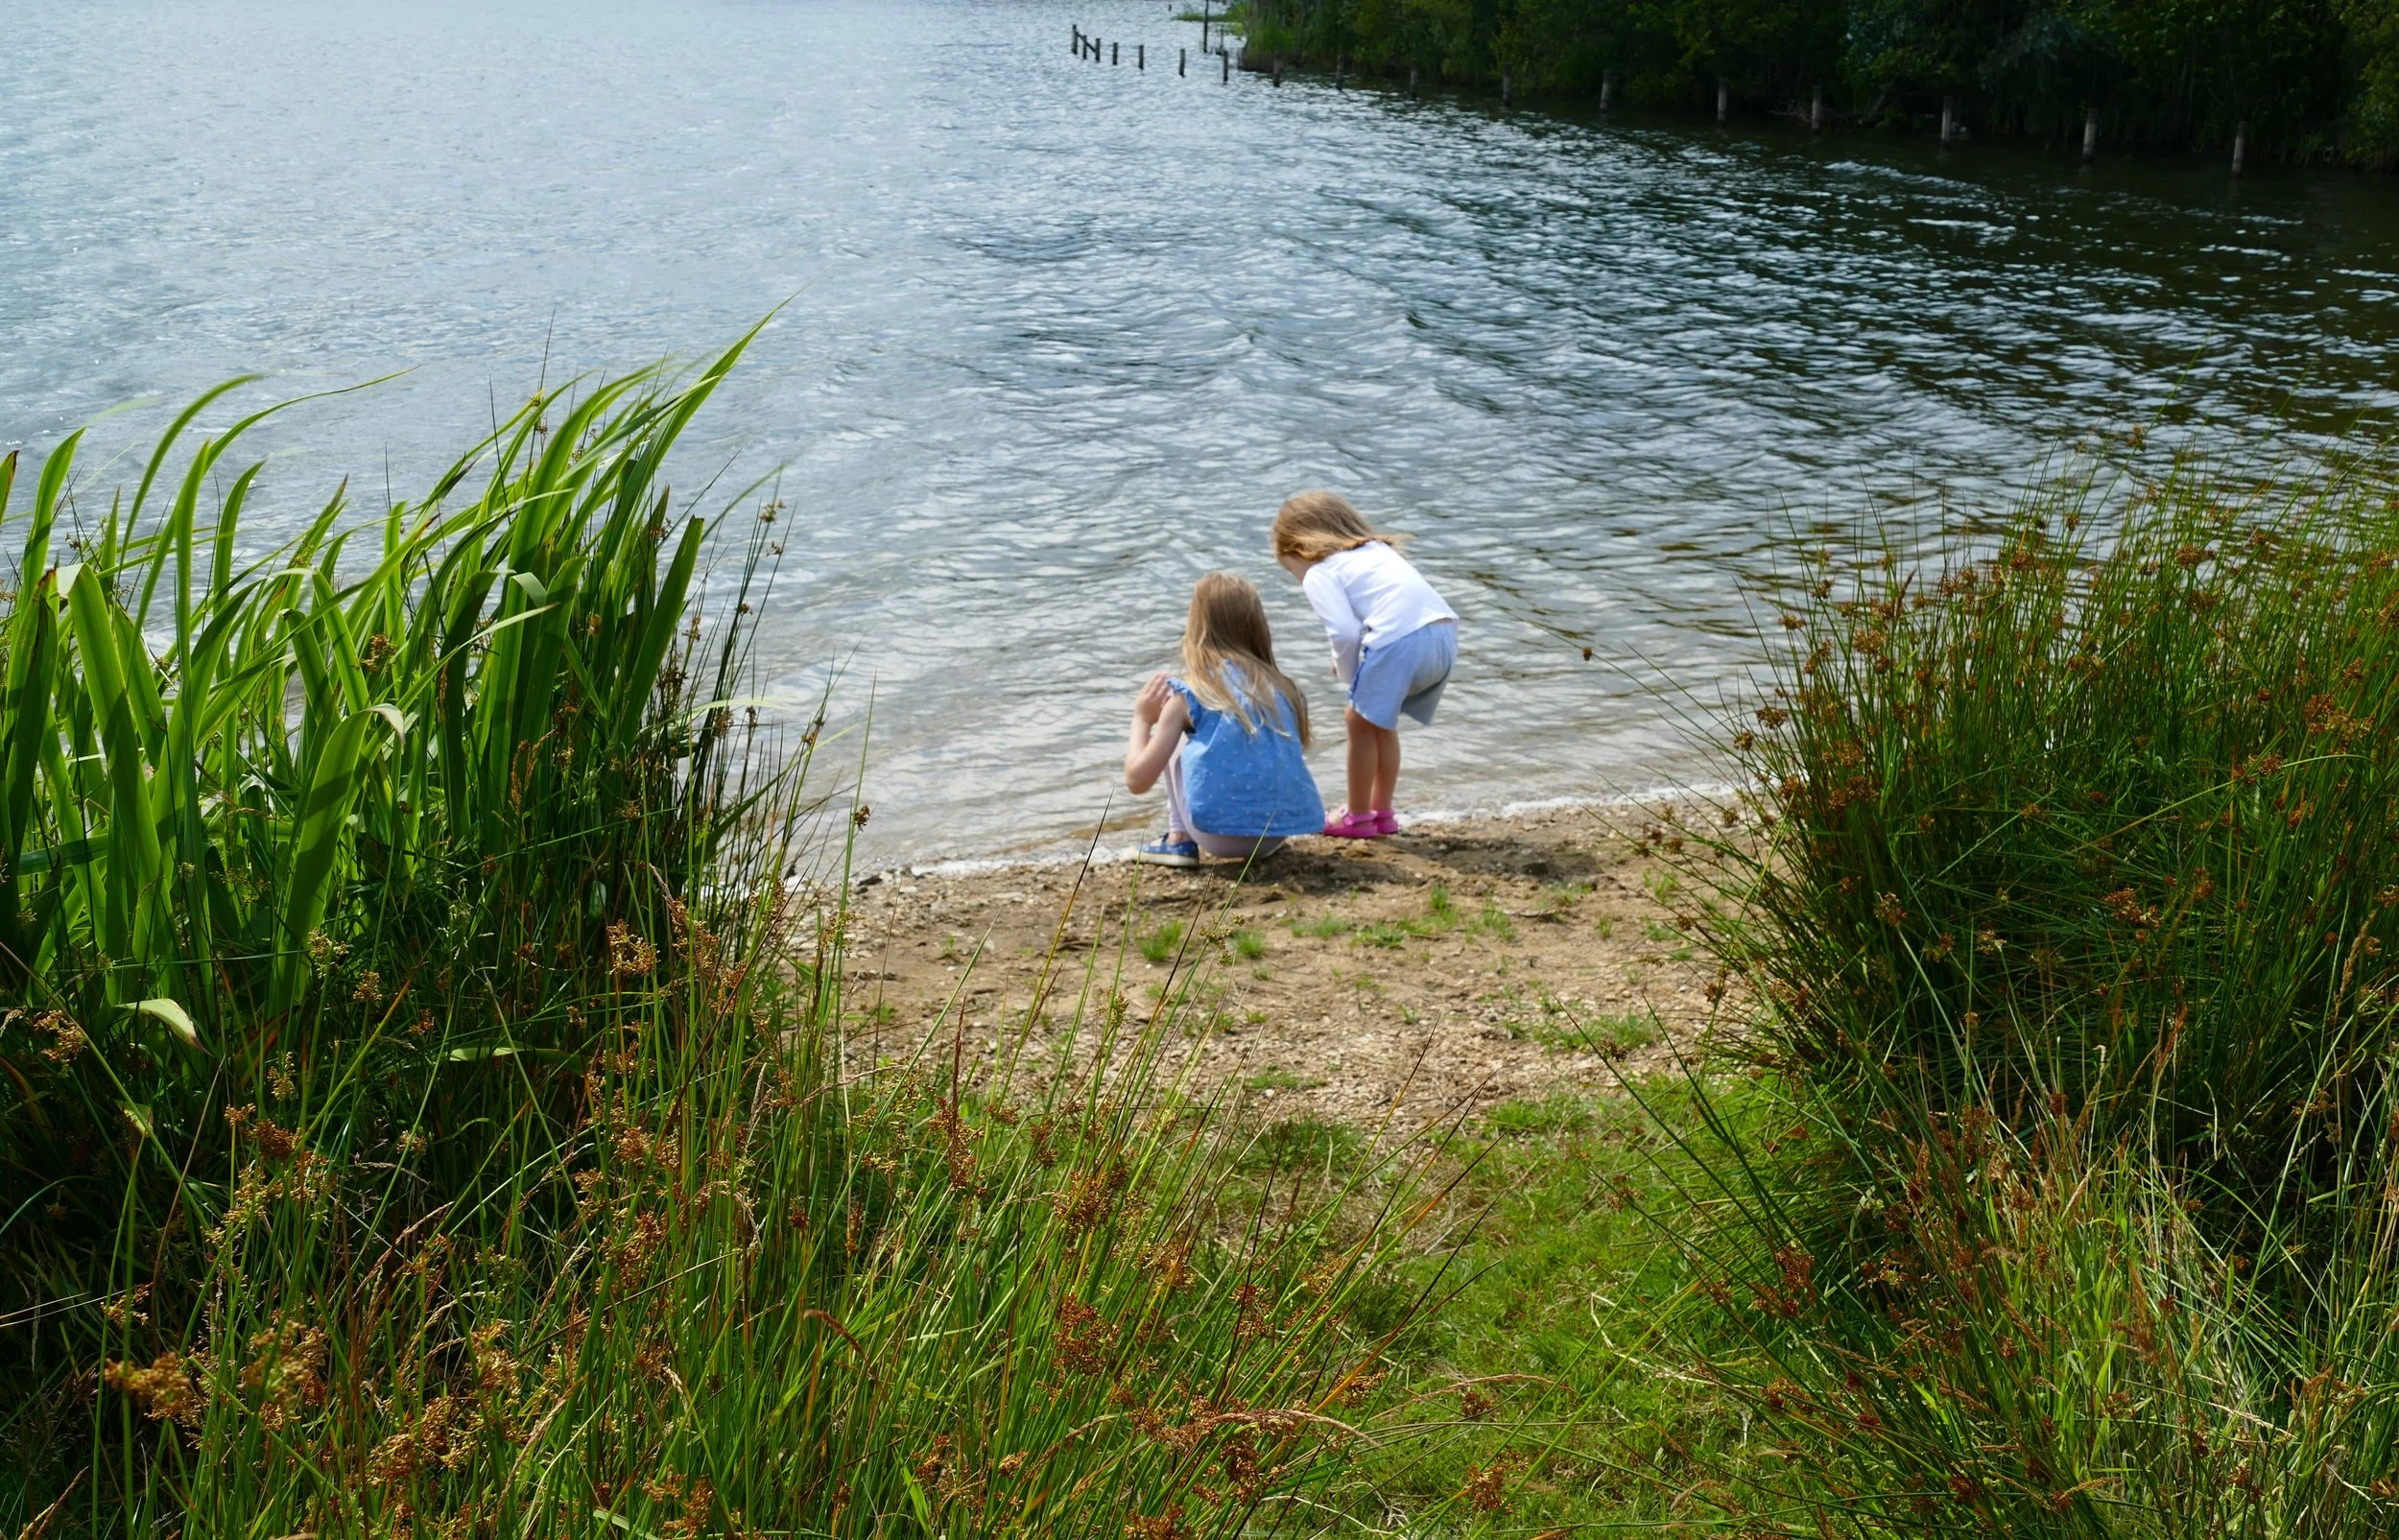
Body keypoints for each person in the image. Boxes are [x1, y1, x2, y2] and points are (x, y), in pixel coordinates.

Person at [1271, 490, 1457, 838]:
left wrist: (1347, 673)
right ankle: (1381, 812)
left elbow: (1343, 632)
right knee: (1380, 723)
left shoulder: (1320, 571)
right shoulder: (1377, 550)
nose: (1297, 577)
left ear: (1298, 548)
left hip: (1400, 641)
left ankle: (1357, 816)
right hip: (1443, 634)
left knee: (1356, 721)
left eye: (1290, 569)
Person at [1124, 572, 1325, 868]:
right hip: (1278, 833)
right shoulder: (1285, 690)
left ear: (1196, 628)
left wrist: (1142, 719)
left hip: (1216, 837)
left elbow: (1137, 781)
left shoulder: (1191, 693)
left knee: (1177, 737)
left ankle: (1179, 839)